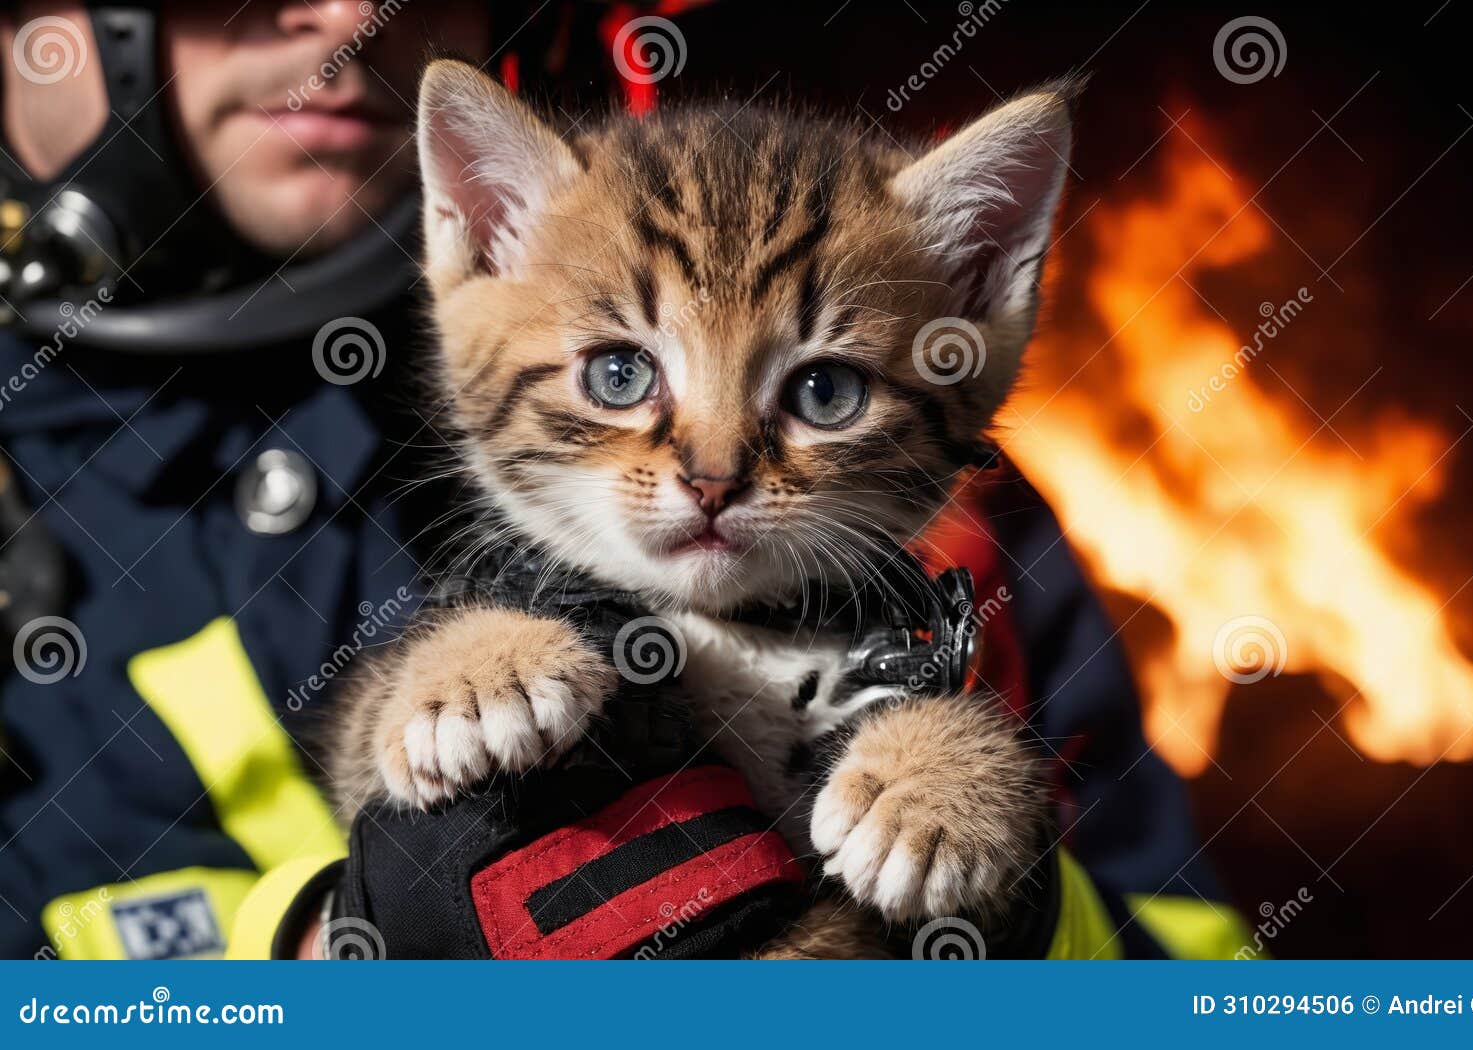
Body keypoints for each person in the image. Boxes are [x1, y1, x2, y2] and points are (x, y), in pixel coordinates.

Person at [0, 0, 1247, 960]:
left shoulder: (935, 500)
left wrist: (1013, 925)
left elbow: (1202, 982)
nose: (351, 14)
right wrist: (327, 957)